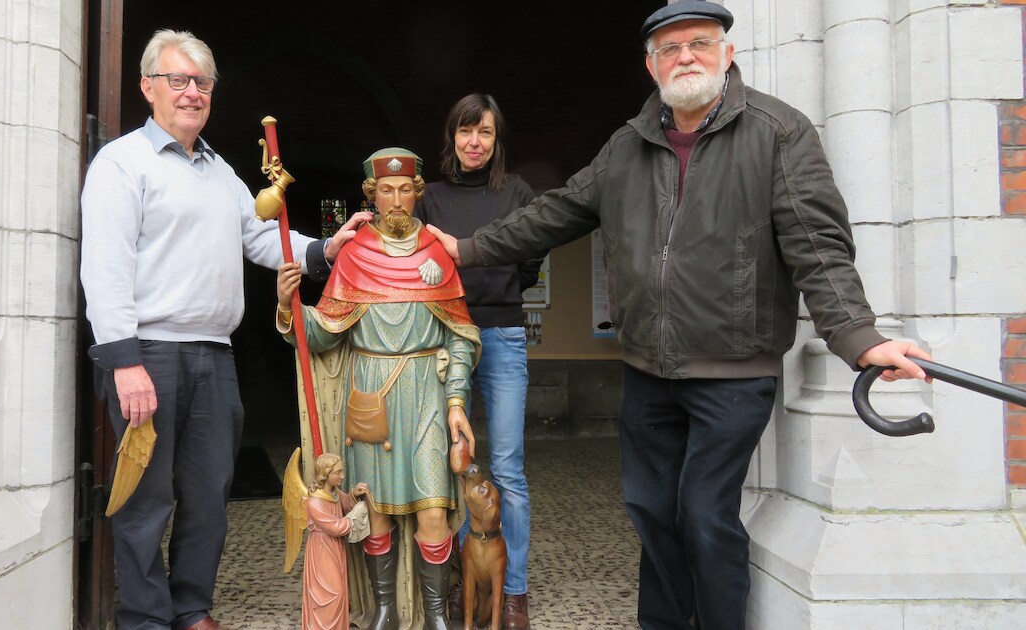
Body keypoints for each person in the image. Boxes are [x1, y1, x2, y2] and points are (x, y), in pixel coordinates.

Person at [425, 2, 934, 629]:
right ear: (651, 65)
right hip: (647, 369)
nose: (685, 56)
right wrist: (467, 249)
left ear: (727, 52)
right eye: (669, 48)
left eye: (699, 42)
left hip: (733, 370)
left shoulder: (778, 131)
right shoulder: (627, 145)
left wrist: (857, 336)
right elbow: (554, 212)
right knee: (650, 509)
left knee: (703, 512)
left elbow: (817, 242)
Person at [80, 29, 369, 630]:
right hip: (149, 354)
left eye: (203, 83)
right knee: (145, 499)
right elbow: (104, 268)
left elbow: (263, 237)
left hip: (214, 355)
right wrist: (125, 362)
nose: (192, 93)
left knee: (210, 493)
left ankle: (191, 608)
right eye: (178, 80)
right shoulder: (122, 162)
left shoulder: (220, 172)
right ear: (148, 87)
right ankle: (144, 617)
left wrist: (326, 248)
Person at [275, 148, 480, 630]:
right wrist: (289, 306)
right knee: (375, 508)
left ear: (417, 193)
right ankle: (385, 609)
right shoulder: (355, 255)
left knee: (434, 508)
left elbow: (460, 337)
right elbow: (324, 333)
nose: (396, 200)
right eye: (386, 190)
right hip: (372, 397)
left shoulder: (436, 253)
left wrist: (455, 400)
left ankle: (435, 615)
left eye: (405, 189)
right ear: (372, 195)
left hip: (427, 396)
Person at [416, 93, 540, 629]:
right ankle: (461, 578)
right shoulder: (430, 198)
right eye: (466, 131)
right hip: (446, 338)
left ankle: (512, 593)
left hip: (504, 334)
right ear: (453, 136)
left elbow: (531, 259)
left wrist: (499, 288)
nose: (475, 142)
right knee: (451, 463)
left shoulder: (517, 193)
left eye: (485, 132)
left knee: (507, 467)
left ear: (496, 139)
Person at [302, 453, 369, 630]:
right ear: (326, 474)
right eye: (338, 472)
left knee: (340, 590)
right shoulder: (315, 502)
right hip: (322, 549)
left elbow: (345, 504)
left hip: (335, 546)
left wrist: (353, 494)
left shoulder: (333, 492)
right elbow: (335, 527)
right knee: (331, 593)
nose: (342, 476)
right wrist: (355, 518)